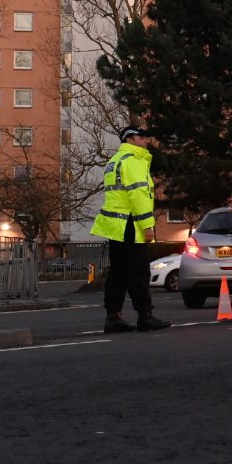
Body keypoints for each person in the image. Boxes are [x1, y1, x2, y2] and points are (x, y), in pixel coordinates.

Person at [91, 126, 170, 333]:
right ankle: (145, 316)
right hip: (131, 223)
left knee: (118, 273)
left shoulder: (114, 160)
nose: (146, 141)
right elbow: (138, 196)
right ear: (131, 139)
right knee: (139, 271)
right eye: (142, 137)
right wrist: (147, 225)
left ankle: (113, 317)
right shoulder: (134, 161)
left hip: (115, 225)